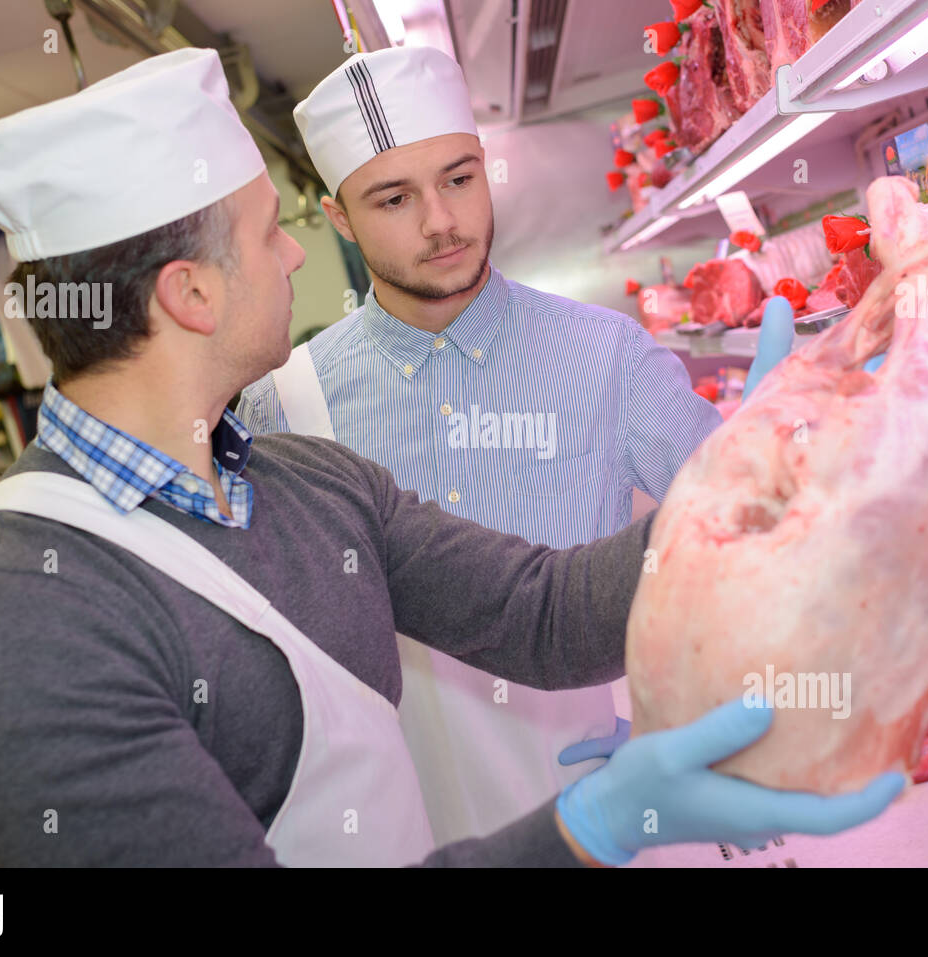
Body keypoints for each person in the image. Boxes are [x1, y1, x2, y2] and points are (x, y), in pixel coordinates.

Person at [0, 48, 903, 867]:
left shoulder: (302, 483)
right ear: (190, 297)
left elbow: (547, 613)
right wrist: (581, 831)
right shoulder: (12, 626)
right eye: (265, 236)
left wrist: (745, 478)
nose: (295, 255)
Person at [235, 45, 726, 845]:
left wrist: (693, 731)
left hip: (590, 810)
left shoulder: (607, 358)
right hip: (394, 832)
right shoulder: (285, 403)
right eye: (393, 198)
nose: (441, 221)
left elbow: (754, 550)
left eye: (459, 178)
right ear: (338, 218)